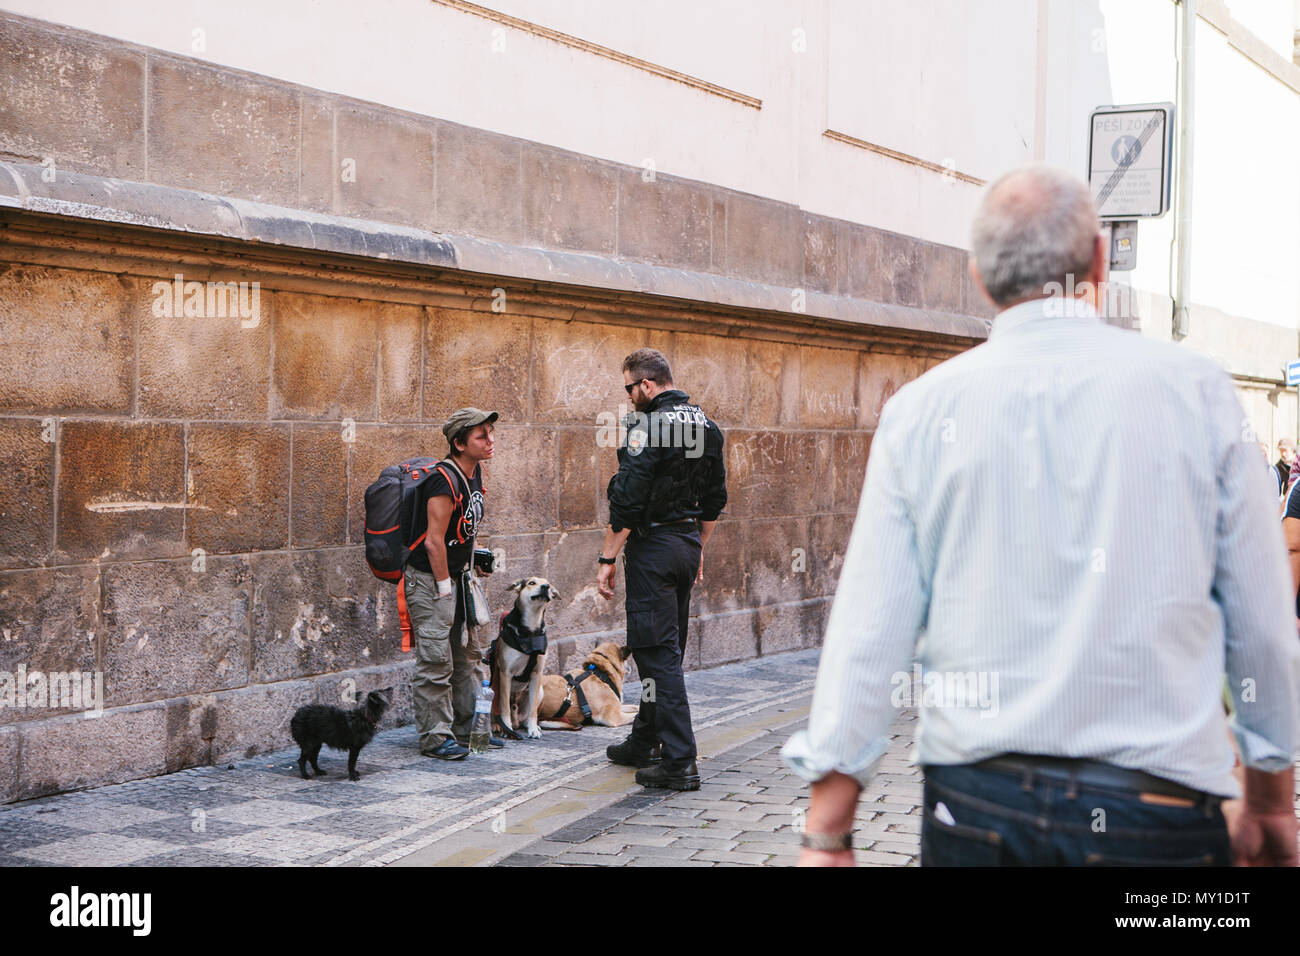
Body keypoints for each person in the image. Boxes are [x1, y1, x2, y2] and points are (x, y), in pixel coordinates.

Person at [782, 164, 1300, 867]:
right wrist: (1270, 794)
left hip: (977, 805)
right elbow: (1263, 623)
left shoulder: (922, 412)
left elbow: (871, 626)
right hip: (1158, 809)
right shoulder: (1199, 393)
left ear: (980, 278)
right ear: (1097, 261)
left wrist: (829, 827)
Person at [597, 348, 727, 791]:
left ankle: (679, 762)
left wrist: (607, 557)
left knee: (657, 656)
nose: (630, 398)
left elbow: (627, 501)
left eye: (630, 389)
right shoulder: (707, 426)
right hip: (687, 542)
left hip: (654, 549)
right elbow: (715, 498)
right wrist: (698, 546)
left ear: (646, 385)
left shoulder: (645, 426)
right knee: (662, 650)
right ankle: (644, 740)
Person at [404, 408, 501, 760]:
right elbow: (433, 541)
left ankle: (467, 731)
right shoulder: (443, 480)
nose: (490, 441)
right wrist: (444, 585)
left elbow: (461, 533)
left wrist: (474, 563)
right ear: (459, 443)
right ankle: (434, 737)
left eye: (491, 433)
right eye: (481, 436)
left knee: (469, 657)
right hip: (431, 581)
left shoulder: (473, 474)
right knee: (435, 660)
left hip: (459, 578)